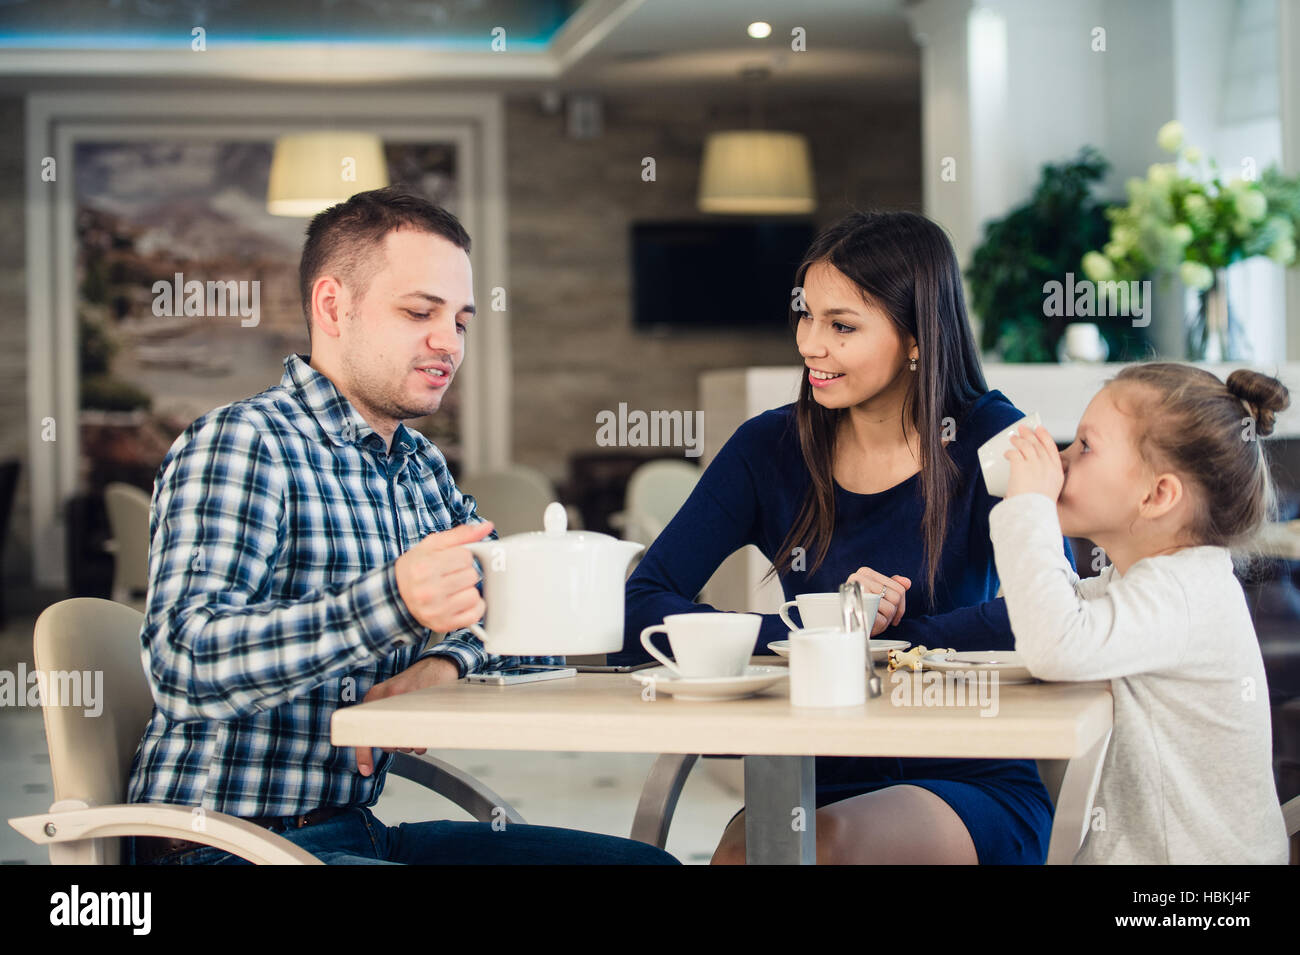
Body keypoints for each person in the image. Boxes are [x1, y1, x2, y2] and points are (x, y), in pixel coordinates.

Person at [126, 186, 676, 865]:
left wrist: (444, 662)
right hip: (217, 845)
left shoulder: (418, 466)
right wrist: (392, 601)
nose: (449, 342)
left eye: (462, 320)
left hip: (349, 830)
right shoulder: (244, 442)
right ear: (334, 306)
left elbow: (514, 619)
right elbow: (184, 661)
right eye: (420, 311)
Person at [616, 210, 1072, 864]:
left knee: (816, 849)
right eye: (807, 315)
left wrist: (894, 640)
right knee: (748, 856)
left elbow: (1050, 606)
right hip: (809, 771)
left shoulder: (991, 436)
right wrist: (819, 636)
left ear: (918, 338)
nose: (810, 344)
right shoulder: (767, 448)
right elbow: (641, 603)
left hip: (964, 771)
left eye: (841, 326)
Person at [991, 362, 1291, 863]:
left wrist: (1030, 509)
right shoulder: (1147, 581)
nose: (1062, 459)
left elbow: (1056, 647)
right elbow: (1048, 611)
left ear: (1156, 496)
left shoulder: (1184, 592)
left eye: (1084, 446)